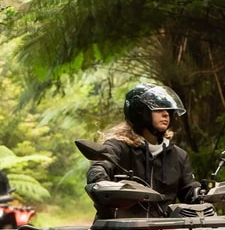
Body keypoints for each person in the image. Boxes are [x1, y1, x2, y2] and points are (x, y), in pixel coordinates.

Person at [85, 83, 200, 219]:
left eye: (168, 110)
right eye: (158, 109)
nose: (166, 114)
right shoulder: (118, 146)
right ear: (140, 112)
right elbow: (100, 166)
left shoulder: (178, 155)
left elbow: (190, 191)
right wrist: (102, 181)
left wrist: (202, 193)